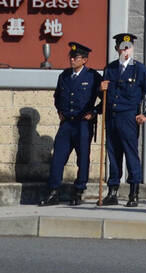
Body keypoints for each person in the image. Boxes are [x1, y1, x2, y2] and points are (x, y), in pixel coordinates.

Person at [98, 32, 146, 208]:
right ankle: (113, 191)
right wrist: (100, 89)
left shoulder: (139, 69)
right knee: (113, 155)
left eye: (128, 47)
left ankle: (134, 192)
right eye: (122, 48)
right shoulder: (110, 69)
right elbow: (103, 97)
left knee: (131, 155)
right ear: (117, 49)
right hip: (111, 117)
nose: (125, 51)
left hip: (129, 118)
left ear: (132, 49)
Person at [40, 42, 102, 207]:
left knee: (82, 159)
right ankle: (53, 191)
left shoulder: (93, 76)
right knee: (58, 158)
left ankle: (79, 190)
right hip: (66, 124)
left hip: (83, 124)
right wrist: (59, 111)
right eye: (71, 57)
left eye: (76, 57)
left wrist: (94, 112)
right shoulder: (65, 75)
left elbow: (106, 99)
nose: (72, 59)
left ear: (84, 60)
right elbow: (57, 96)